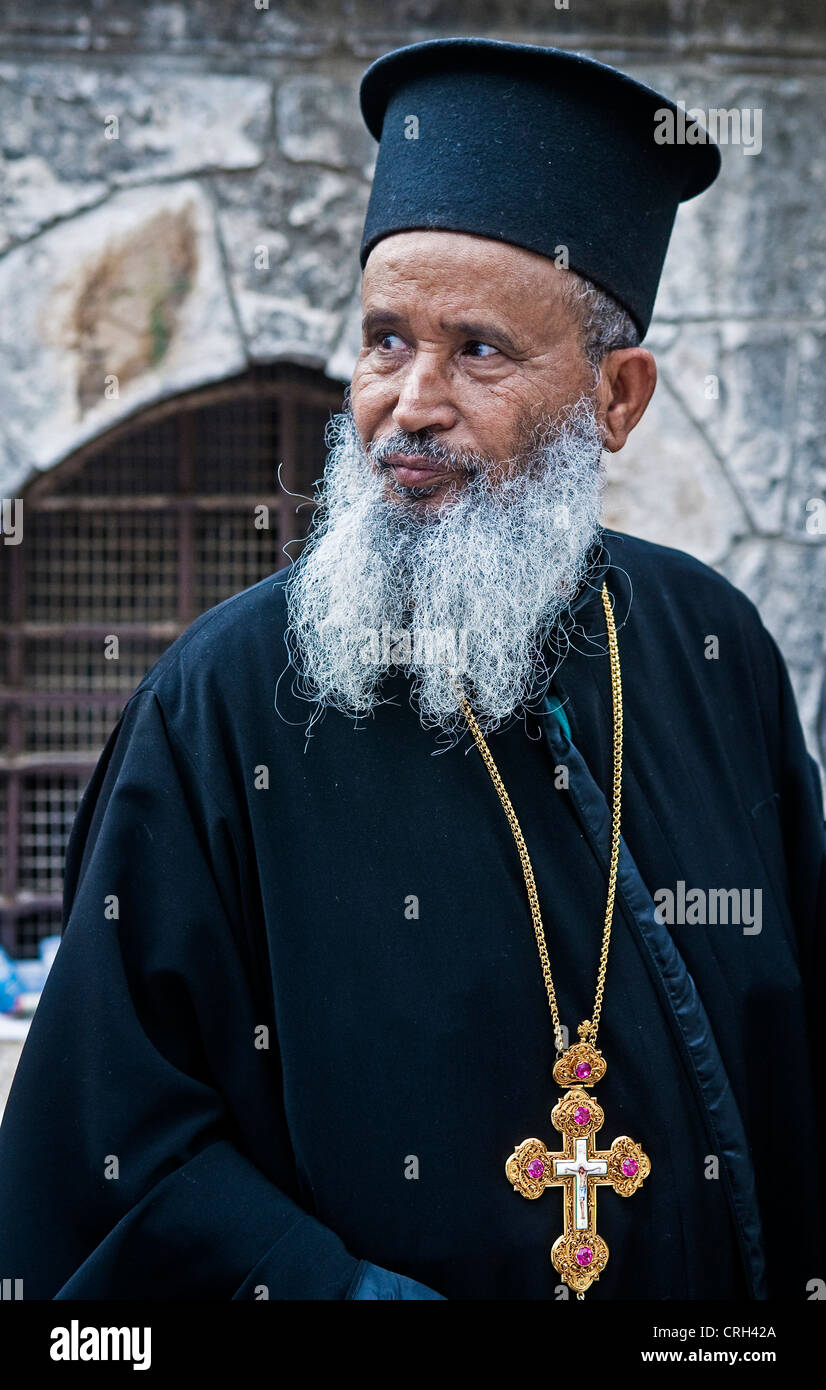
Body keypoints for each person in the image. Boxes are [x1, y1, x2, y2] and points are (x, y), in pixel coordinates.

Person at [0, 37, 822, 1301]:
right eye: (385, 342)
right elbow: (114, 1158)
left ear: (616, 396)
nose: (410, 402)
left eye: (480, 351)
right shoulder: (221, 704)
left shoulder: (714, 653)